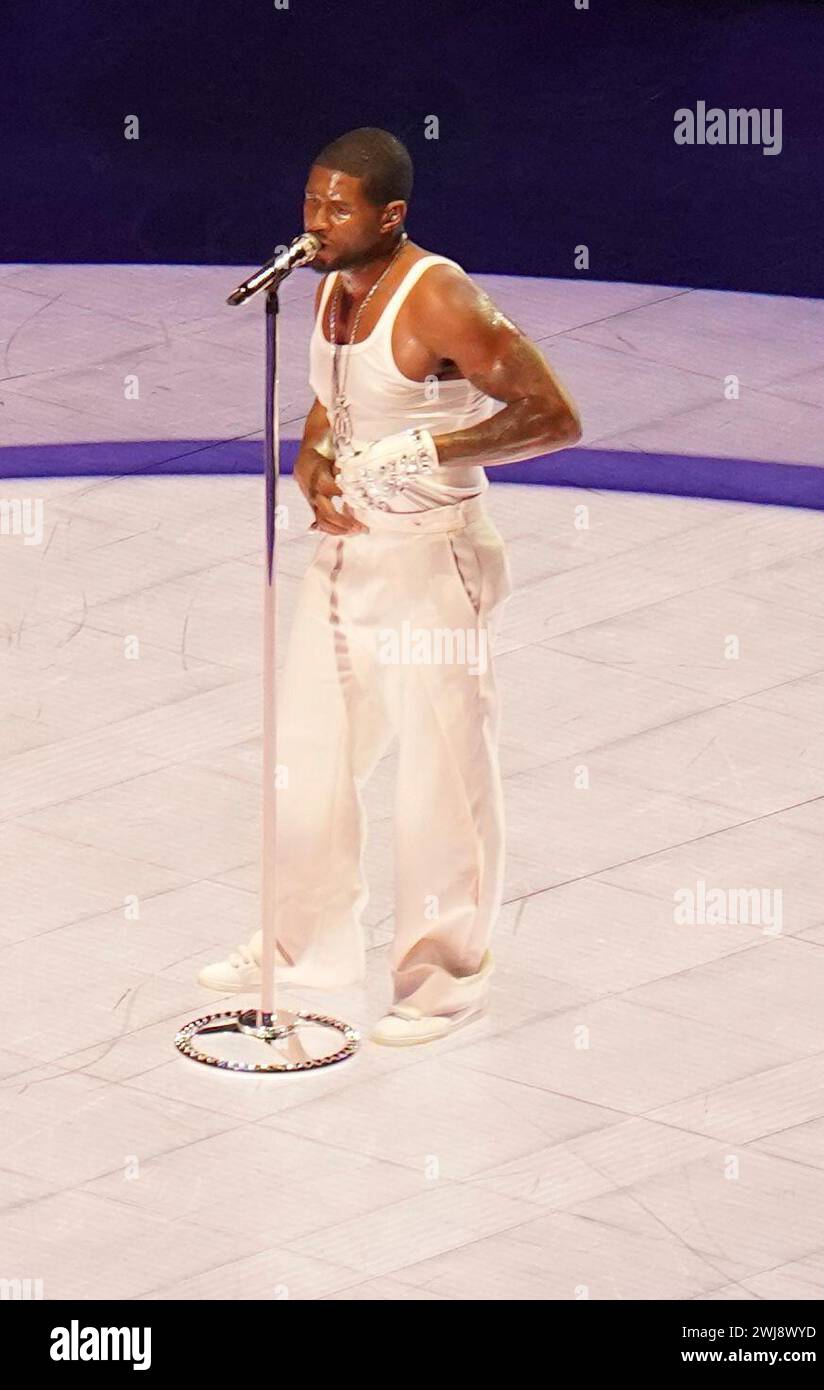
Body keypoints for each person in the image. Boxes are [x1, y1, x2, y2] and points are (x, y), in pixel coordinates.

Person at [199, 128, 581, 1045]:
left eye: (337, 209)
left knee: (439, 777)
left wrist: (428, 448)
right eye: (309, 204)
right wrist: (314, 454)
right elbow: (340, 395)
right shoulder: (333, 287)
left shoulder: (437, 296)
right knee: (311, 756)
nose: (316, 224)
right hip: (348, 555)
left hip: (432, 559)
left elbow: (554, 417)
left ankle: (446, 978)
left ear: (390, 215)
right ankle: (302, 948)